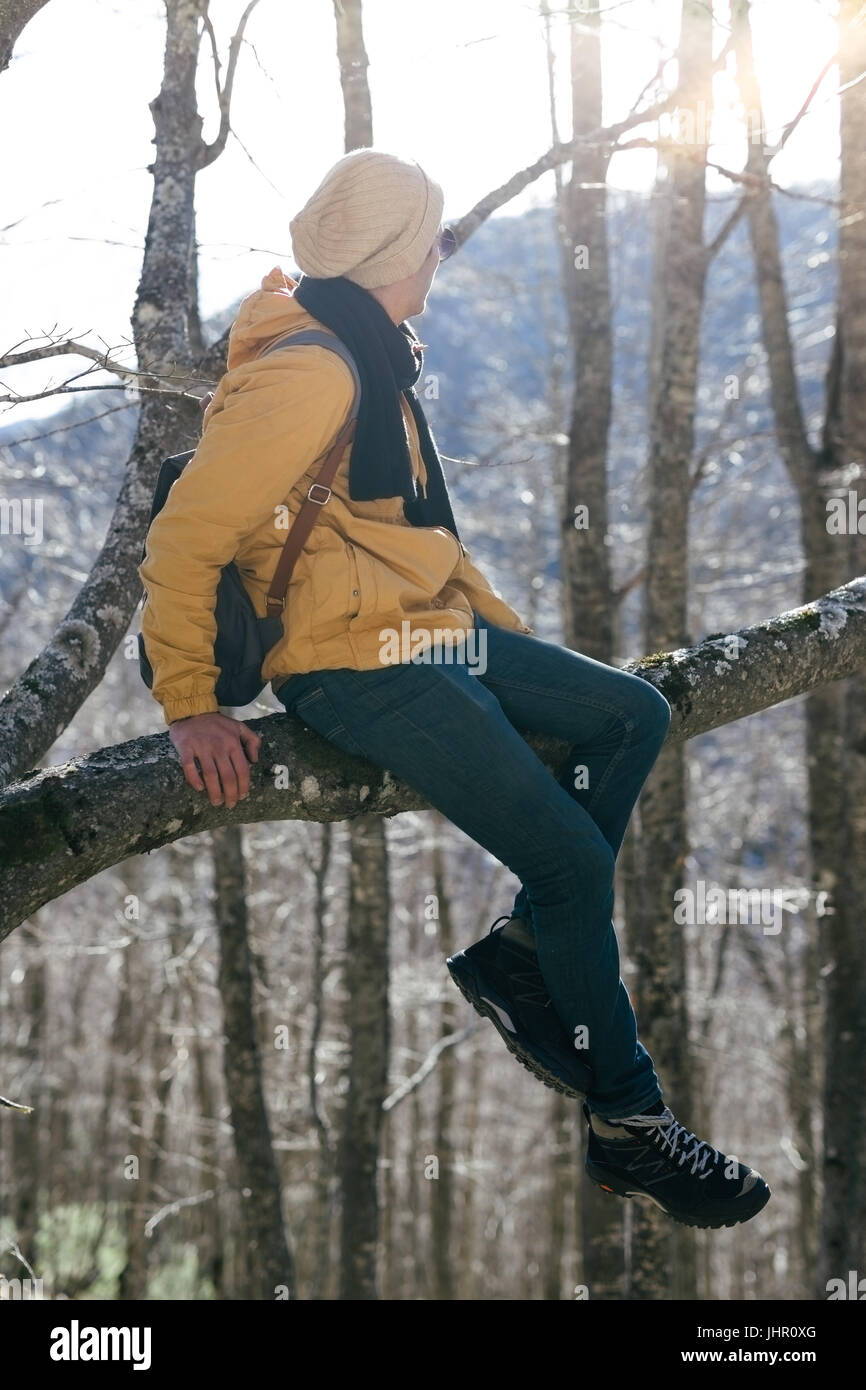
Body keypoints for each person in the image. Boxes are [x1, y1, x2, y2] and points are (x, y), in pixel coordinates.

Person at [139, 147, 770, 1231]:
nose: (438, 251)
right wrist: (191, 701)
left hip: (425, 632)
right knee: (570, 858)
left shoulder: (373, 352)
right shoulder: (314, 372)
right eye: (427, 236)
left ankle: (524, 956)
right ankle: (626, 1119)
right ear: (389, 254)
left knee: (630, 711)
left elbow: (424, 540)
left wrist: (525, 669)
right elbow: (188, 533)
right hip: (348, 663)